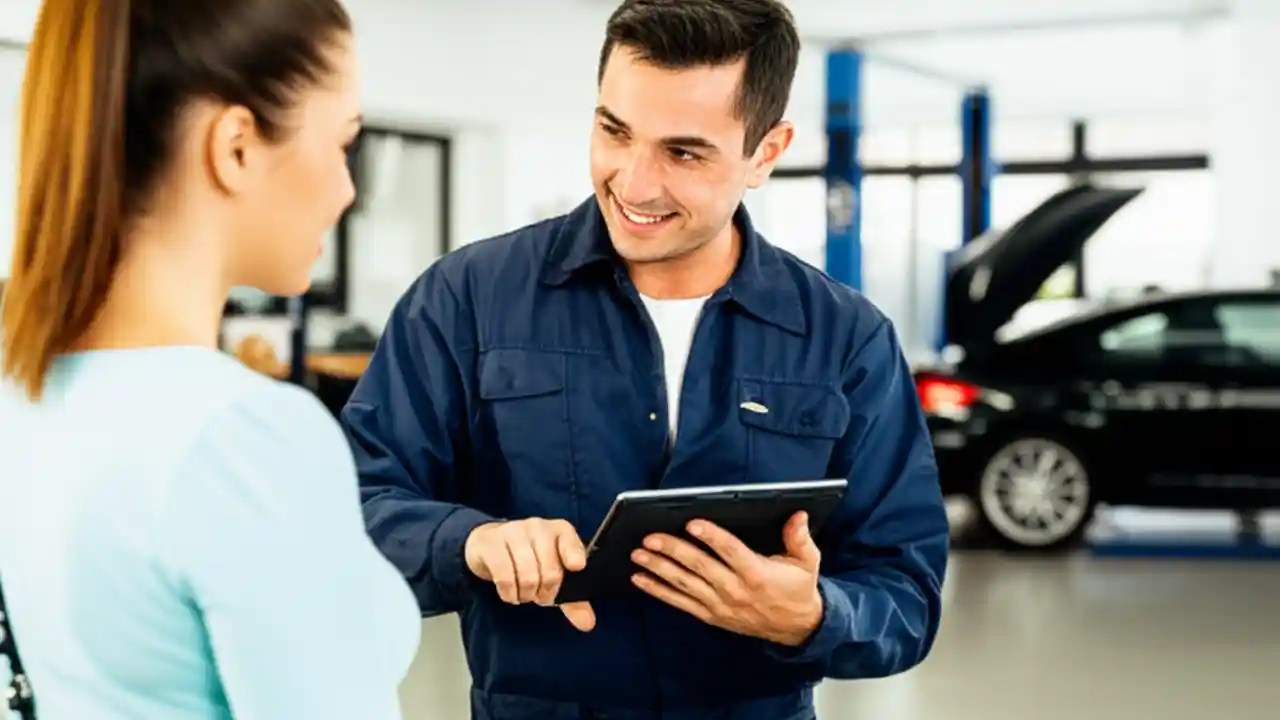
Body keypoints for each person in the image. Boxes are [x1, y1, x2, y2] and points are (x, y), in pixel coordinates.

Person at [342, 0, 950, 717]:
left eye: (683, 152)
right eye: (613, 131)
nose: (633, 184)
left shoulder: (847, 339)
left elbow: (905, 592)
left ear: (766, 153)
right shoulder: (466, 300)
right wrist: (471, 542)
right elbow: (353, 510)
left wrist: (816, 615)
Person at [0, 1, 419, 718]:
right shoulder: (245, 436)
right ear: (236, 147)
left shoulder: (25, 389)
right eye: (344, 144)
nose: (348, 190)